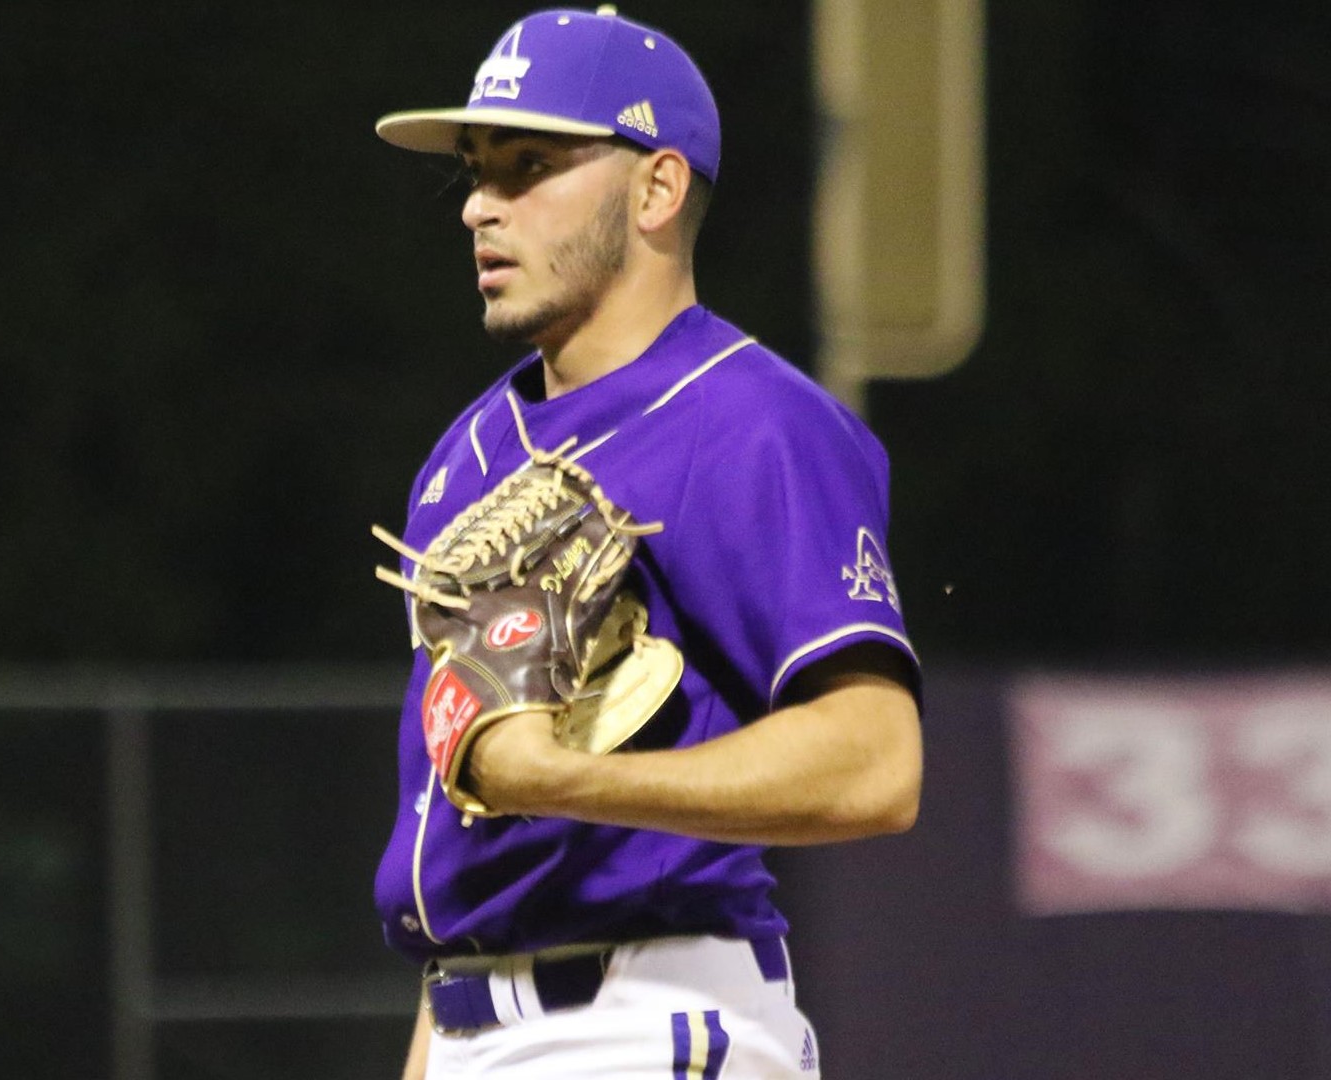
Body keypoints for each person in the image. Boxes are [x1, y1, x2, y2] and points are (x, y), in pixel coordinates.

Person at [370, 7, 923, 1078]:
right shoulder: (467, 454)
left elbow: (875, 761)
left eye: (529, 165)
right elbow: (464, 844)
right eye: (477, 172)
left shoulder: (747, 422)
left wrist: (556, 778)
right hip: (476, 1023)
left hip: (647, 1017)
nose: (482, 205)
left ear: (657, 189)